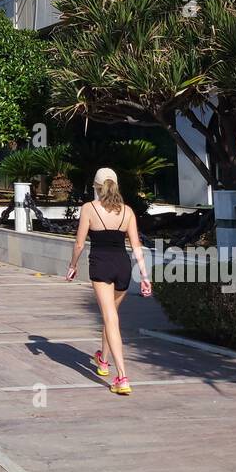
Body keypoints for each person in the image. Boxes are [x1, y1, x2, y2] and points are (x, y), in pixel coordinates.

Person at [66, 167, 152, 394]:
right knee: (110, 315)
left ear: (95, 187)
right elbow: (136, 247)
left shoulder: (89, 209)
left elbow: (79, 244)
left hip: (101, 266)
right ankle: (102, 360)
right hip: (123, 267)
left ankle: (122, 377)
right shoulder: (128, 211)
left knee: (111, 319)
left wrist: (72, 266)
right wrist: (144, 276)